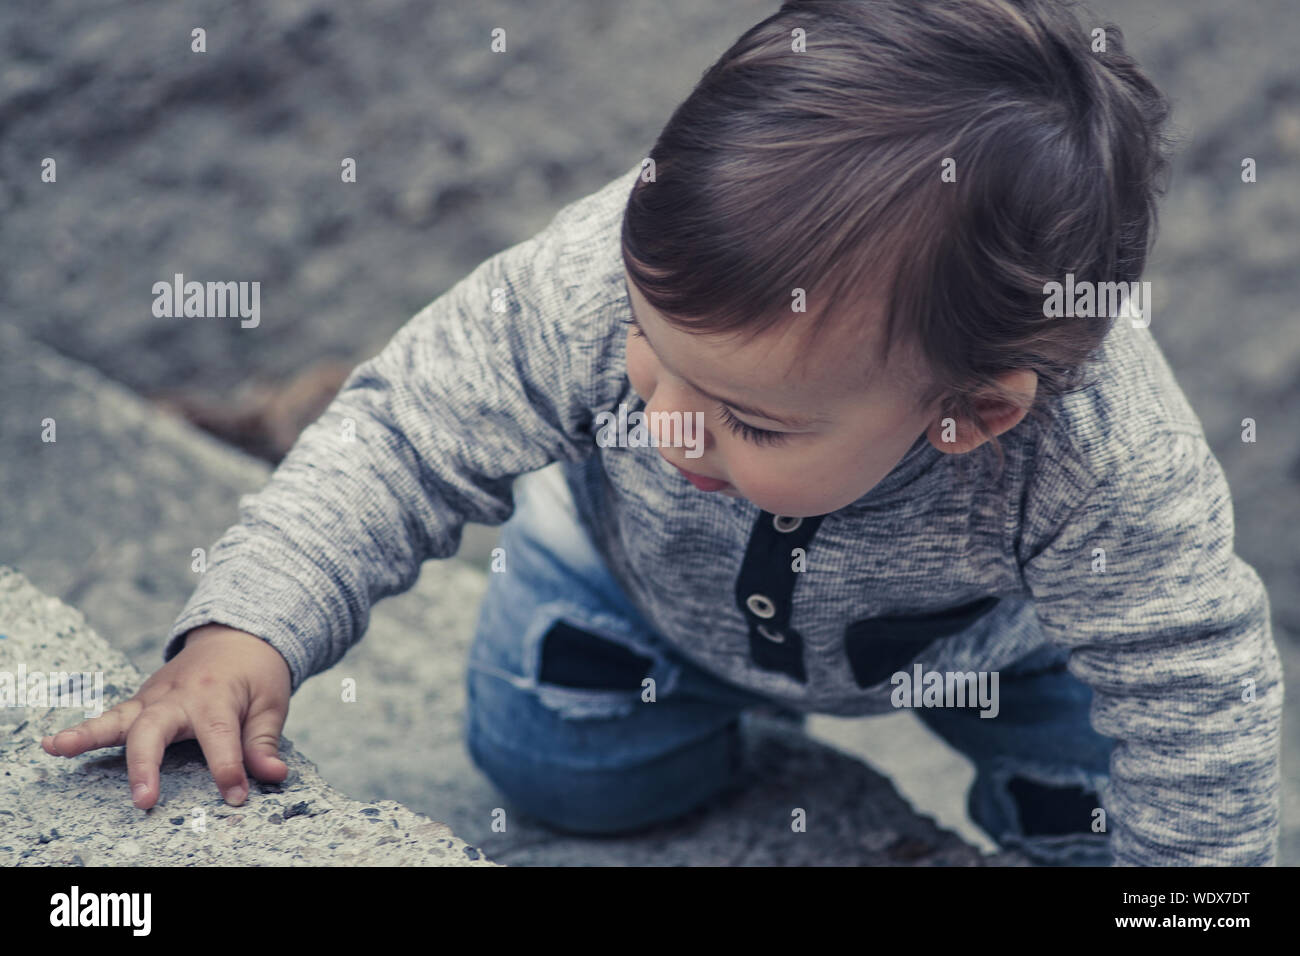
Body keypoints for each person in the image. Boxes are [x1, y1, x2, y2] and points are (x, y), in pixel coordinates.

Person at [42, 0, 1282, 866]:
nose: (663, 415)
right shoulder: (593, 281)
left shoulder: (1101, 463)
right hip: (633, 589)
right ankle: (630, 640)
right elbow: (406, 433)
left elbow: (1196, 681)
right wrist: (241, 628)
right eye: (653, 348)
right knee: (565, 776)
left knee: (1102, 827)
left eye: (747, 415)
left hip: (996, 647)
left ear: (973, 411)